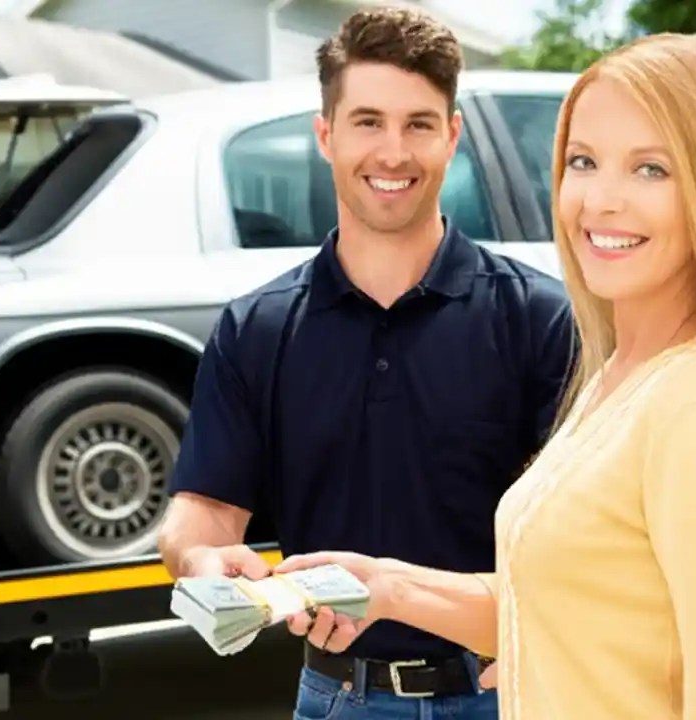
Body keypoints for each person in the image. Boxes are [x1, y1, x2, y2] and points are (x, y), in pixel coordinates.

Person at [275, 31, 696, 720]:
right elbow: (568, 607)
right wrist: (388, 588)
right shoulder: (618, 377)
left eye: (650, 169)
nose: (600, 200)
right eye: (584, 161)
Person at [156, 7, 575, 720]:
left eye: (418, 124)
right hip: (335, 697)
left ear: (452, 136)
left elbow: (574, 544)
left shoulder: (539, 318)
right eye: (367, 121)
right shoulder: (256, 328)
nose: (393, 152)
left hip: (503, 692)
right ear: (325, 135)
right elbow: (202, 516)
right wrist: (199, 562)